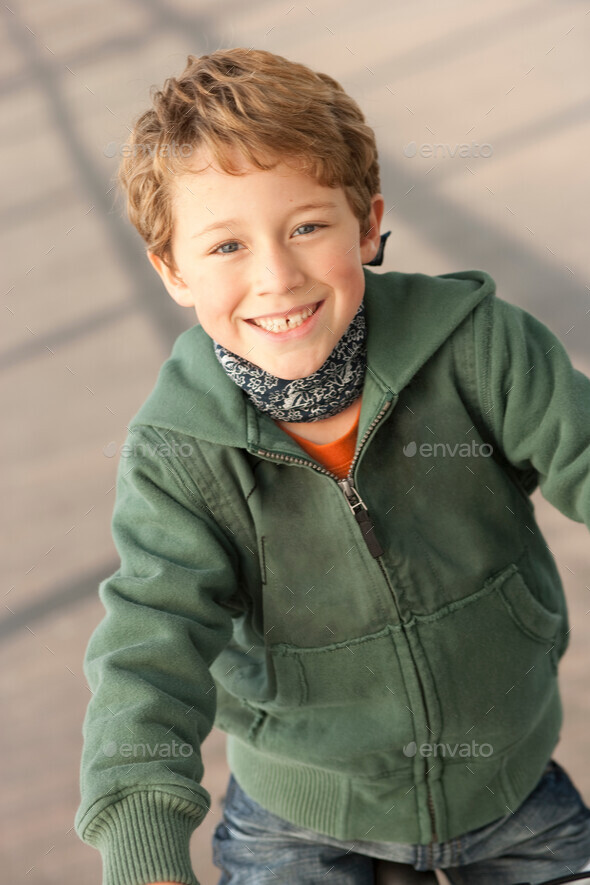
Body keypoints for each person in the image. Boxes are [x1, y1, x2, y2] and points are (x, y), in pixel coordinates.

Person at [74, 48, 590, 885]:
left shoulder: (479, 345)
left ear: (370, 221)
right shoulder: (180, 452)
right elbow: (147, 653)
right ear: (171, 269)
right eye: (227, 245)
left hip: (508, 784)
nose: (276, 277)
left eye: (307, 226)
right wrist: (142, 845)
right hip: (300, 815)